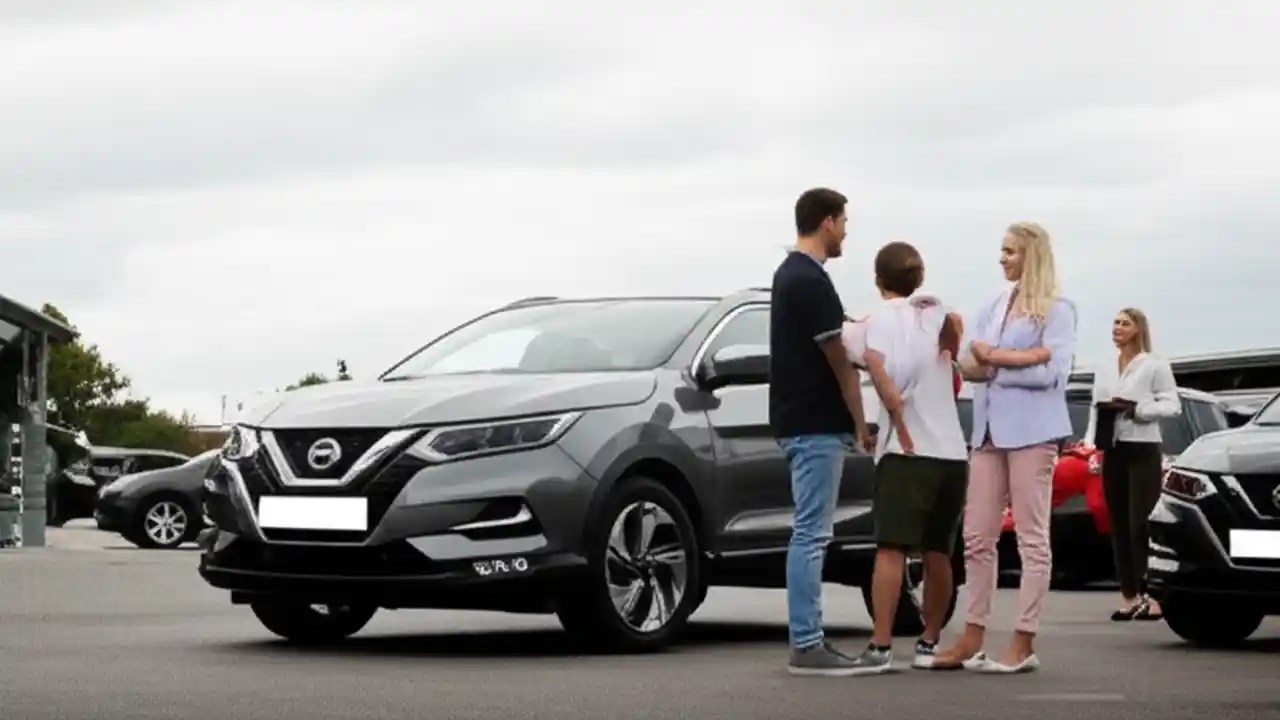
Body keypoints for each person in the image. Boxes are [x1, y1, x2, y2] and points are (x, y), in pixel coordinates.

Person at [934, 221, 1078, 674]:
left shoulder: (1059, 309)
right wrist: (1010, 359)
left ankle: (1023, 640)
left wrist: (995, 359)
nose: (1002, 258)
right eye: (1002, 250)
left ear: (1032, 255)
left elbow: (1053, 373)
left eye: (1011, 251)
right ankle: (972, 635)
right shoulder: (993, 305)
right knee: (977, 537)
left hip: (1033, 433)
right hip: (988, 433)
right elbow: (970, 363)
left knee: (1032, 538)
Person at [840, 241, 969, 675]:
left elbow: (853, 354)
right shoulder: (939, 315)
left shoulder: (875, 322)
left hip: (905, 453)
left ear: (879, 280)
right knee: (939, 551)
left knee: (891, 548)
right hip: (952, 452)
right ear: (920, 277)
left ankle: (881, 643)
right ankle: (929, 641)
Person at [770, 187, 872, 676]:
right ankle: (807, 642)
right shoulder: (809, 279)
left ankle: (807, 639)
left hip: (796, 420)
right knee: (812, 533)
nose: (846, 232)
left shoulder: (789, 275)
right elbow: (838, 357)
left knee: (809, 531)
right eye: (844, 222)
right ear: (827, 221)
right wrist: (860, 420)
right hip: (815, 423)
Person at [1083, 307, 1179, 622]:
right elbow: (1096, 407)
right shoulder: (1104, 366)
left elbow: (1172, 405)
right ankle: (1130, 595)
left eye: (1125, 323)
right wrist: (1090, 443)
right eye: (1115, 322)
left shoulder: (1154, 364)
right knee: (1119, 523)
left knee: (1141, 522)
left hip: (1143, 448)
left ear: (1138, 329)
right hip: (1113, 449)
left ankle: (1154, 596)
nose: (1118, 327)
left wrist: (1139, 409)